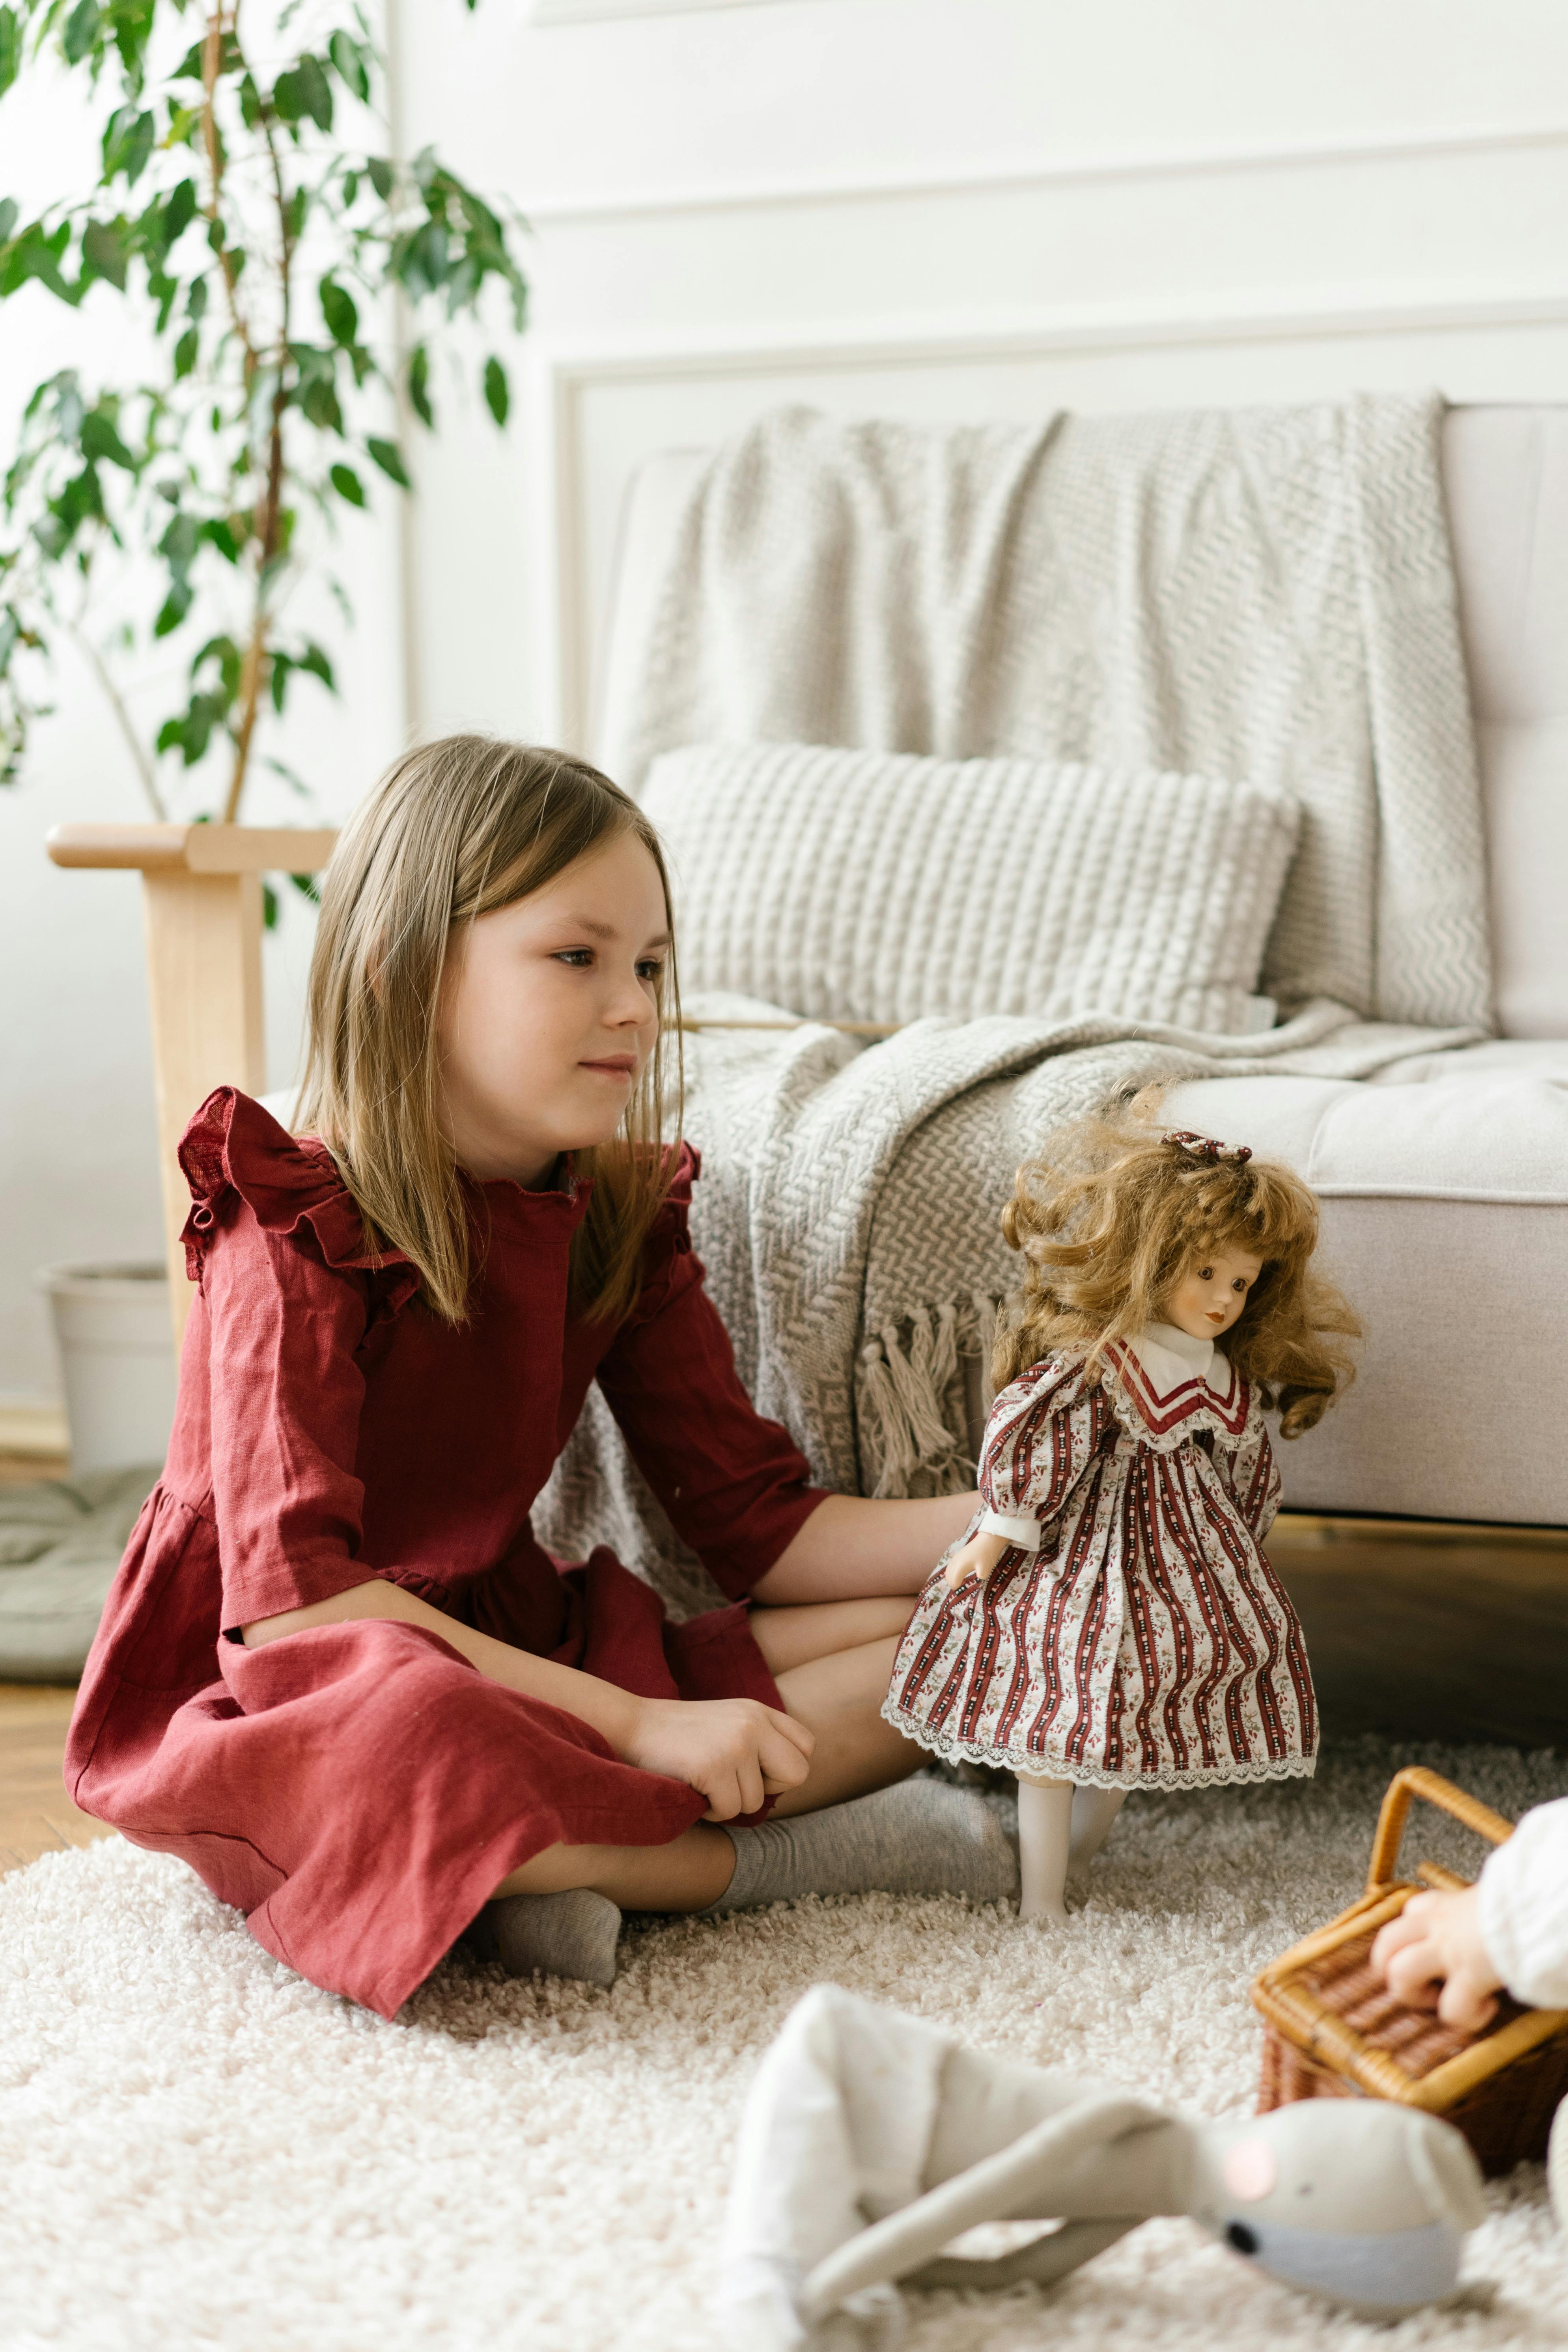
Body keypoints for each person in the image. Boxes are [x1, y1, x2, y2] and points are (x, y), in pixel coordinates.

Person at [65, 737, 1018, 2016]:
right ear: (409, 968)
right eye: (577, 957)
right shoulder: (287, 1222)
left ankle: (533, 1867)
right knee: (413, 1729)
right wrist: (638, 1727)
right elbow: (297, 1616)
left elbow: (763, 1529)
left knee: (959, 1635)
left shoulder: (614, 1213)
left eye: (648, 965)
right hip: (288, 1682)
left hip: (505, 1641)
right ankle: (754, 1862)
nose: (631, 1003)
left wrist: (1022, 1507)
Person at [883, 1119, 1360, 1925]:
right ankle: (1040, 1898)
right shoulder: (1103, 1361)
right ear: (1150, 1258)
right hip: (1077, 1559)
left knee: (1126, 1732)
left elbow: (1244, 1471)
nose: (1220, 1299)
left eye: (1240, 1284)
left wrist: (1239, 1552)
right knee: (1052, 1735)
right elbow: (1035, 1436)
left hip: (1178, 1564)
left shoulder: (1221, 1381)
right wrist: (999, 1528)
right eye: (1204, 1273)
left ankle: (1069, 1860)